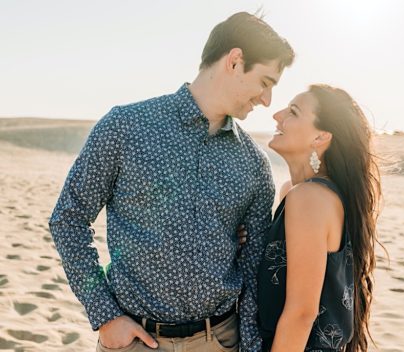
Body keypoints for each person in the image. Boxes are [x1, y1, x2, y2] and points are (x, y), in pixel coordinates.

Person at [48, 12, 294, 351]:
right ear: (235, 61)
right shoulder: (126, 127)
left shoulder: (253, 163)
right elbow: (69, 218)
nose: (267, 100)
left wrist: (249, 347)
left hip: (220, 341)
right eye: (266, 82)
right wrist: (104, 315)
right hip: (134, 341)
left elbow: (253, 270)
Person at [254, 85, 382, 351]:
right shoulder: (298, 192)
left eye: (293, 112)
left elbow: (302, 313)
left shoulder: (308, 198)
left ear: (321, 137)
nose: (277, 115)